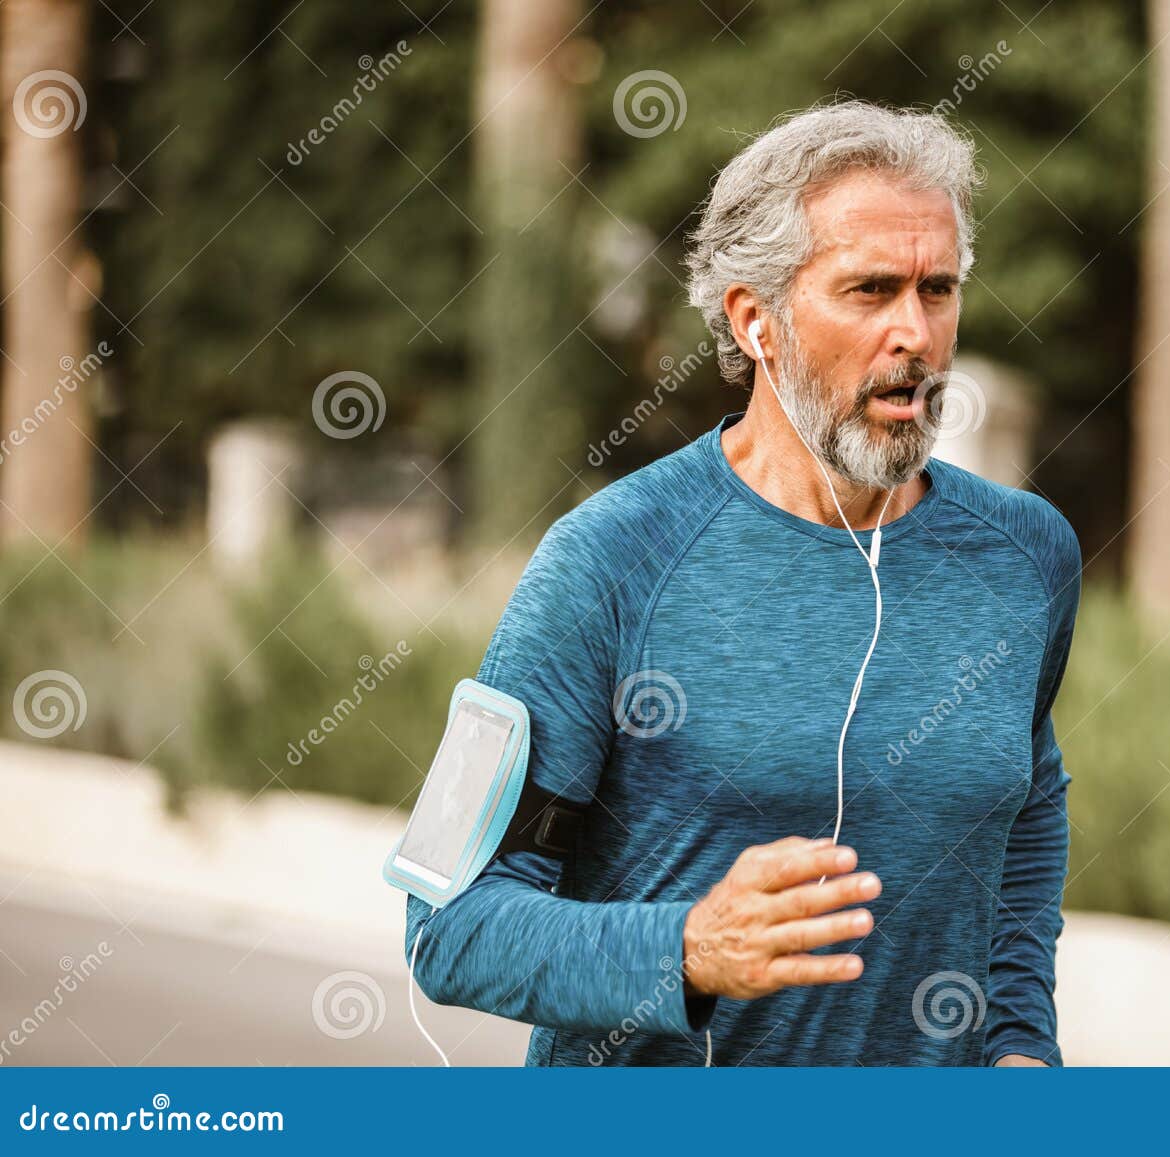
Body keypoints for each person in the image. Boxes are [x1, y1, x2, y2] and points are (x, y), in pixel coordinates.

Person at [405, 99, 1081, 1067]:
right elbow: (448, 920)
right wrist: (685, 948)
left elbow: (1020, 824)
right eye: (869, 289)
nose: (916, 333)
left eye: (938, 289)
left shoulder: (1024, 556)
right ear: (754, 321)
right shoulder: (607, 560)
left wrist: (1020, 1042)